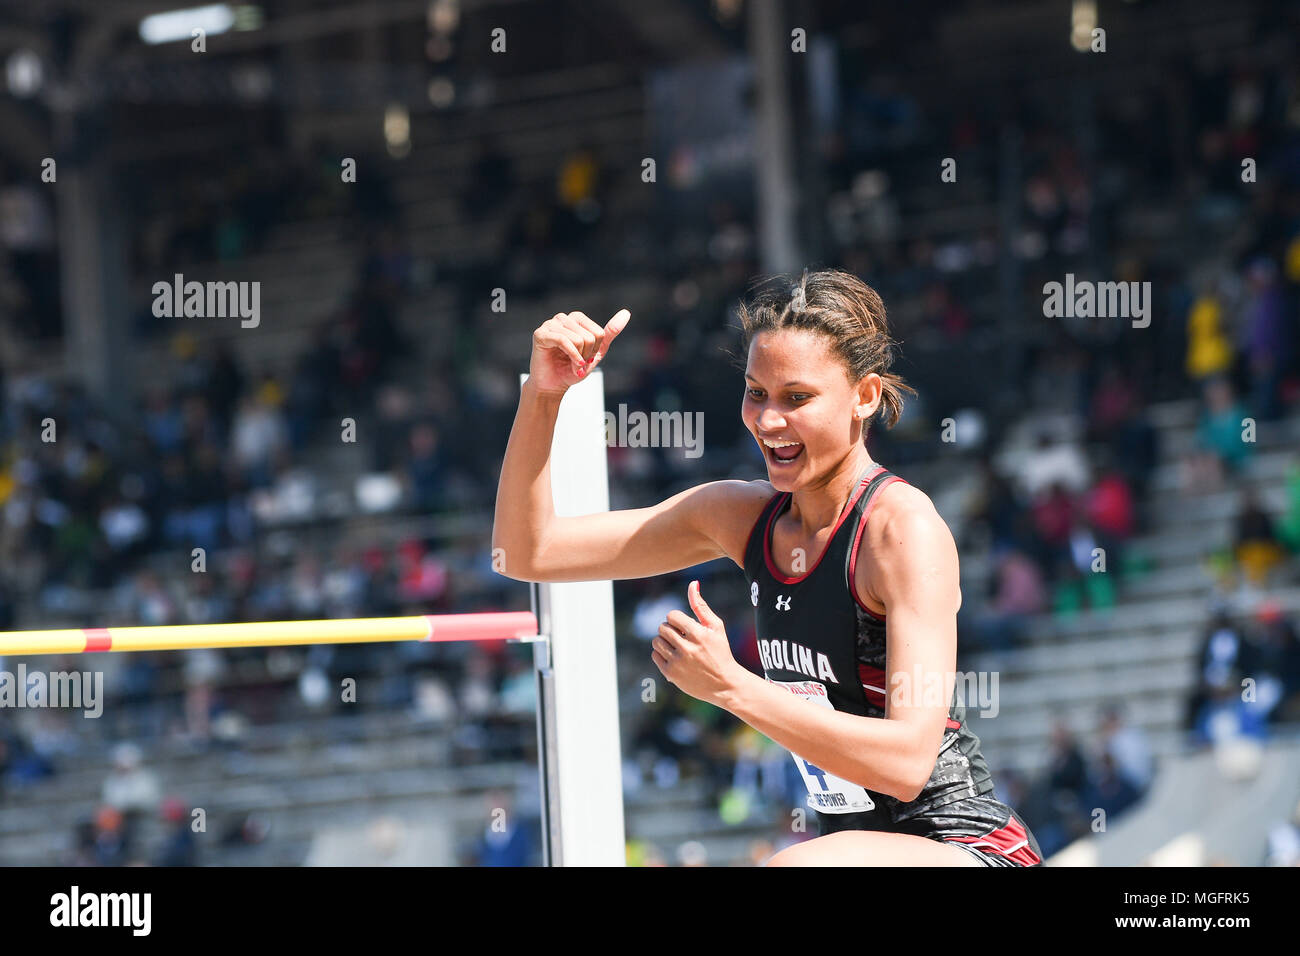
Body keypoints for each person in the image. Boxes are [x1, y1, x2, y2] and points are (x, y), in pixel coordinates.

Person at [493, 269, 1043, 866]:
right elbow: (528, 554)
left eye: (797, 398)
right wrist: (543, 397)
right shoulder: (740, 515)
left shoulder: (901, 530)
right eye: (757, 392)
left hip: (968, 848)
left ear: (864, 396)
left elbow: (909, 764)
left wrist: (730, 687)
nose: (769, 420)